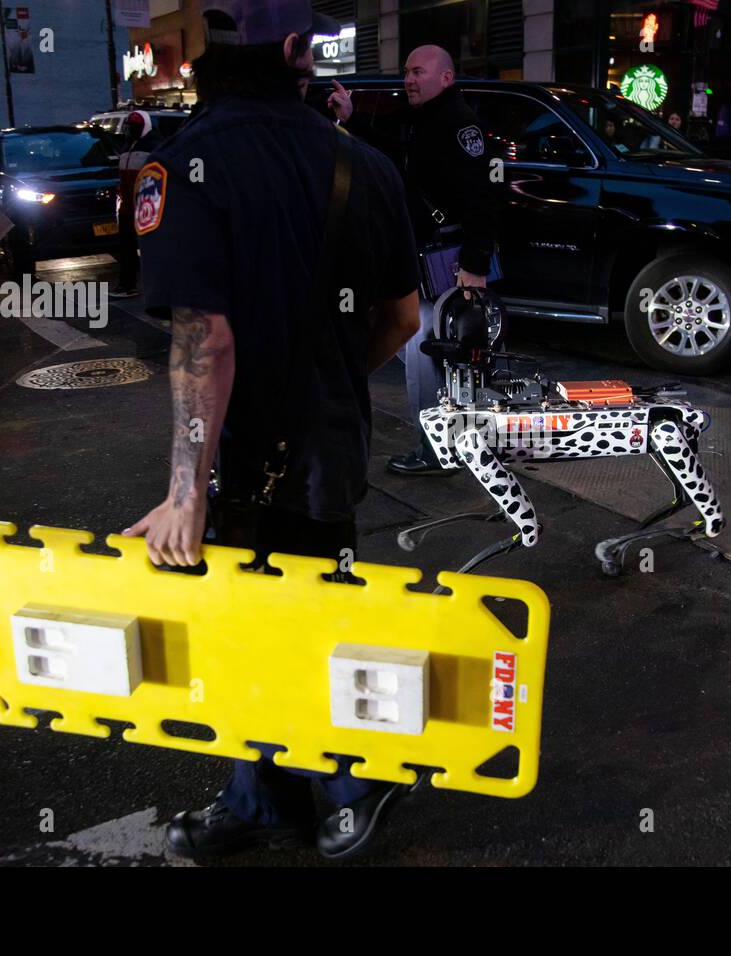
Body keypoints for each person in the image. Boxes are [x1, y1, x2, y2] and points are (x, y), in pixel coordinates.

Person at [123, 0, 422, 860]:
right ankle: (273, 790)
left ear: (192, 59)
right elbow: (403, 317)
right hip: (328, 442)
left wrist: (184, 491)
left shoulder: (182, 167)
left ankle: (348, 779)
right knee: (311, 608)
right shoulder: (363, 163)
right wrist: (323, 382)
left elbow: (202, 335)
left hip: (236, 457)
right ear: (297, 51)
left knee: (253, 620)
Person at [328, 44, 499, 475]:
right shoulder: (423, 117)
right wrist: (351, 116)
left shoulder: (460, 124)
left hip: (449, 260)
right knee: (425, 351)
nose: (408, 79)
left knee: (422, 350)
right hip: (424, 255)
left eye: (418, 72)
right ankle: (458, 440)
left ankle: (435, 450)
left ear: (446, 77)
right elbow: (387, 145)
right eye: (406, 72)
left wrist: (475, 265)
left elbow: (483, 198)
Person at [112, 110, 163, 298]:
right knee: (127, 249)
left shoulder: (155, 147)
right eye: (130, 126)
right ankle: (127, 285)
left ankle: (157, 290)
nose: (132, 129)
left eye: (135, 126)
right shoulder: (127, 147)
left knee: (152, 251)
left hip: (147, 209)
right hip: (127, 208)